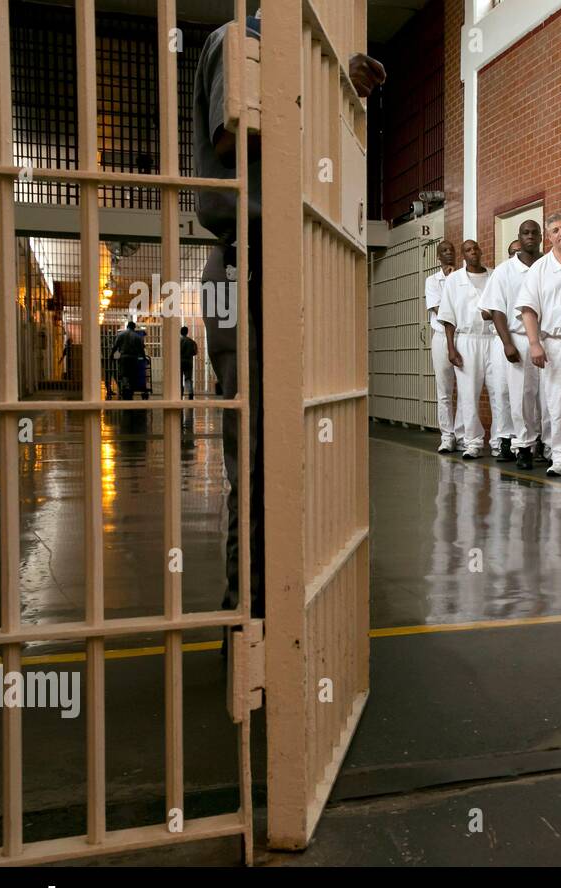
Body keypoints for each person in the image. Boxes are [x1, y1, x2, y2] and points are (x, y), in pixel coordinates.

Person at [194, 9, 385, 617]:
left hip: (301, 261)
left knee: (310, 448)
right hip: (248, 263)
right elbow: (238, 131)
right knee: (257, 462)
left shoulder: (305, 54)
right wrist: (327, 91)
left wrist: (340, 93)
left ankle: (293, 611)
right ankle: (251, 621)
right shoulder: (243, 38)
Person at [516, 213, 561, 477]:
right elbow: (528, 308)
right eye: (554, 230)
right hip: (556, 342)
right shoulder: (540, 268)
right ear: (549, 236)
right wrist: (534, 343)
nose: (560, 233)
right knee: (558, 403)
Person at [482, 219, 543, 469]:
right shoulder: (504, 271)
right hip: (517, 337)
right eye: (525, 233)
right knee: (520, 396)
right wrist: (508, 344)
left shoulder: (547, 265)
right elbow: (495, 309)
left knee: (546, 397)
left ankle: (545, 444)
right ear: (519, 237)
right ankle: (523, 446)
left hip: (547, 338)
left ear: (541, 237)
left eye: (534, 232)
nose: (530, 236)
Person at [437, 239, 494, 459]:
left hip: (492, 338)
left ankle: (499, 441)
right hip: (467, 339)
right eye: (468, 250)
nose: (473, 252)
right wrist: (451, 348)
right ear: (463, 255)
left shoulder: (493, 275)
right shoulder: (454, 280)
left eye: (475, 248)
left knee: (499, 391)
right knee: (468, 393)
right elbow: (448, 317)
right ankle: (472, 441)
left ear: (481, 251)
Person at [425, 241, 464, 453]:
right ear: (438, 257)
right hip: (441, 337)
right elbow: (442, 311)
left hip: (463, 336)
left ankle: (462, 435)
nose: (448, 253)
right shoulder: (432, 281)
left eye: (451, 249)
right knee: (444, 390)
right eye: (444, 251)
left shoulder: (464, 277)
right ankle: (447, 436)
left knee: (466, 388)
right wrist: (449, 281)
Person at [111, 320, 146, 401]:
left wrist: (111, 355)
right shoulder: (137, 337)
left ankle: (125, 387)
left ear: (127, 327)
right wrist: (144, 358)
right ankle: (131, 390)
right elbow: (141, 349)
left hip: (124, 357)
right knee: (133, 374)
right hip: (134, 358)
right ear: (134, 327)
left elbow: (115, 346)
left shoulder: (121, 334)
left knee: (124, 374)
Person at [179, 326, 198, 400]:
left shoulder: (178, 341)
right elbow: (195, 352)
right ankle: (190, 393)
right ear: (187, 332)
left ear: (180, 332)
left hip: (180, 362)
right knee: (188, 378)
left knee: (179, 378)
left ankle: (180, 392)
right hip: (188, 362)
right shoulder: (191, 341)